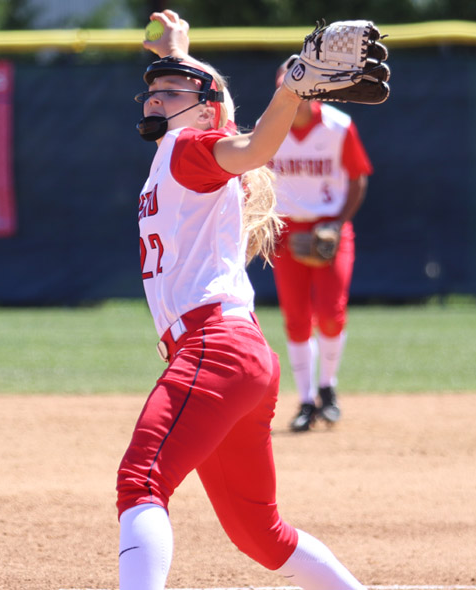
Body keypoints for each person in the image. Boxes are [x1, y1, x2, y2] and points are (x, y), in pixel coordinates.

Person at [116, 10, 366, 590]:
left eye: (170, 92)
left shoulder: (193, 149)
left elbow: (253, 145)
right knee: (261, 534)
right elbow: (220, 112)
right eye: (151, 91)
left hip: (214, 347)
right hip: (240, 358)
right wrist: (178, 50)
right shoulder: (183, 151)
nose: (155, 98)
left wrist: (293, 87)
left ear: (205, 111)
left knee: (141, 482)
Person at [268, 61, 373, 432]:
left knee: (331, 312)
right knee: (296, 319)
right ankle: (306, 399)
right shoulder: (271, 128)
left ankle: (328, 388)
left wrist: (337, 222)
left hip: (329, 229)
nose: (293, 96)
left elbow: (357, 180)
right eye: (287, 88)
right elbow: (257, 178)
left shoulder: (338, 126)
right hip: (286, 230)